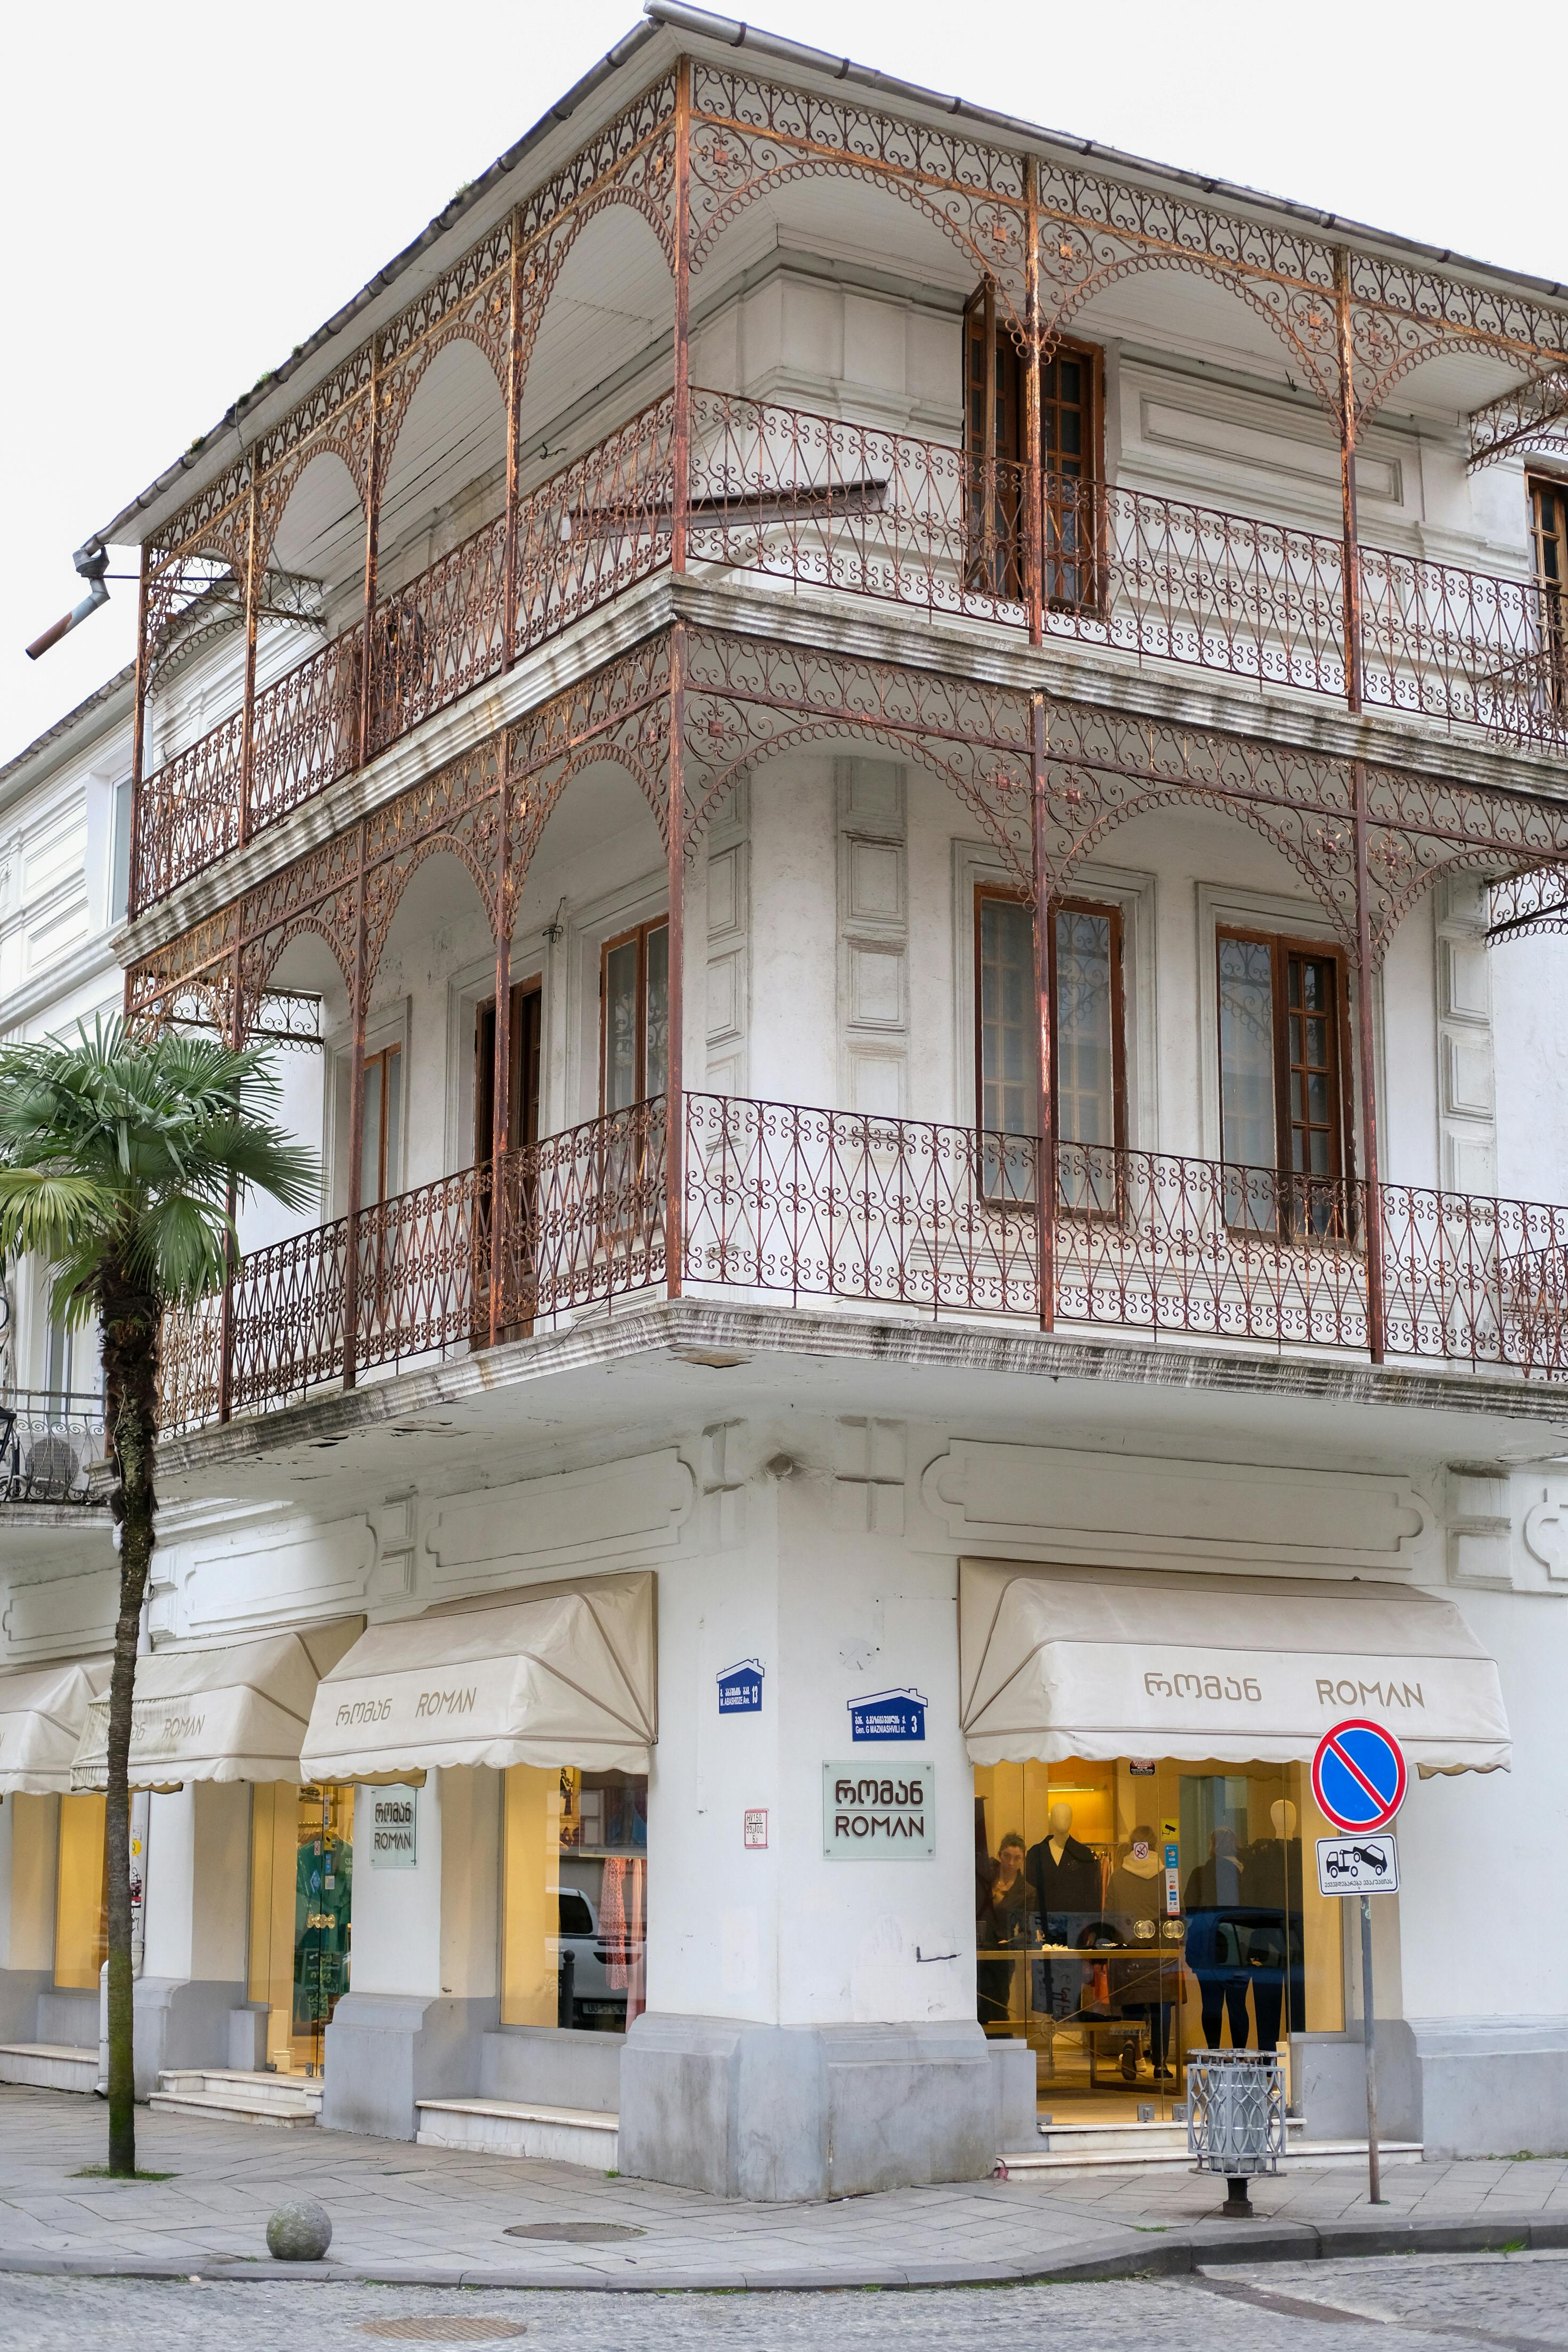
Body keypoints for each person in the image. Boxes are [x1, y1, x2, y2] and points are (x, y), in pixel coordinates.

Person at [1106, 1825, 1178, 2081]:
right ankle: (1161, 2065)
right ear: (1156, 1845)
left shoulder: (1118, 1877)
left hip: (1130, 1951)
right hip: (1162, 1951)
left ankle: (1129, 2044)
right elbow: (1176, 1914)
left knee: (1132, 2005)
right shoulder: (1168, 1877)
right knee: (1162, 2007)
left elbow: (1110, 1918)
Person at [1182, 1826, 1251, 2049]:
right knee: (1237, 2006)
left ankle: (1213, 2055)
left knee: (1211, 2004)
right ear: (1235, 1846)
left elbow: (1189, 1909)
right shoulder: (1244, 1874)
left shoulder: (1200, 1873)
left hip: (1205, 1947)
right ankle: (1240, 2057)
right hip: (1236, 1948)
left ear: (1212, 1846)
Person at [976, 1832, 1031, 2028]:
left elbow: (1028, 1929)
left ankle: (1001, 2047)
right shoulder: (985, 1875)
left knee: (998, 2005)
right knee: (973, 2004)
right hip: (975, 1949)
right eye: (1007, 1856)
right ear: (1000, 1855)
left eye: (1017, 1858)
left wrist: (1011, 1943)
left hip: (1001, 1955)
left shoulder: (1026, 1891)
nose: (1011, 1862)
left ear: (1023, 1859)